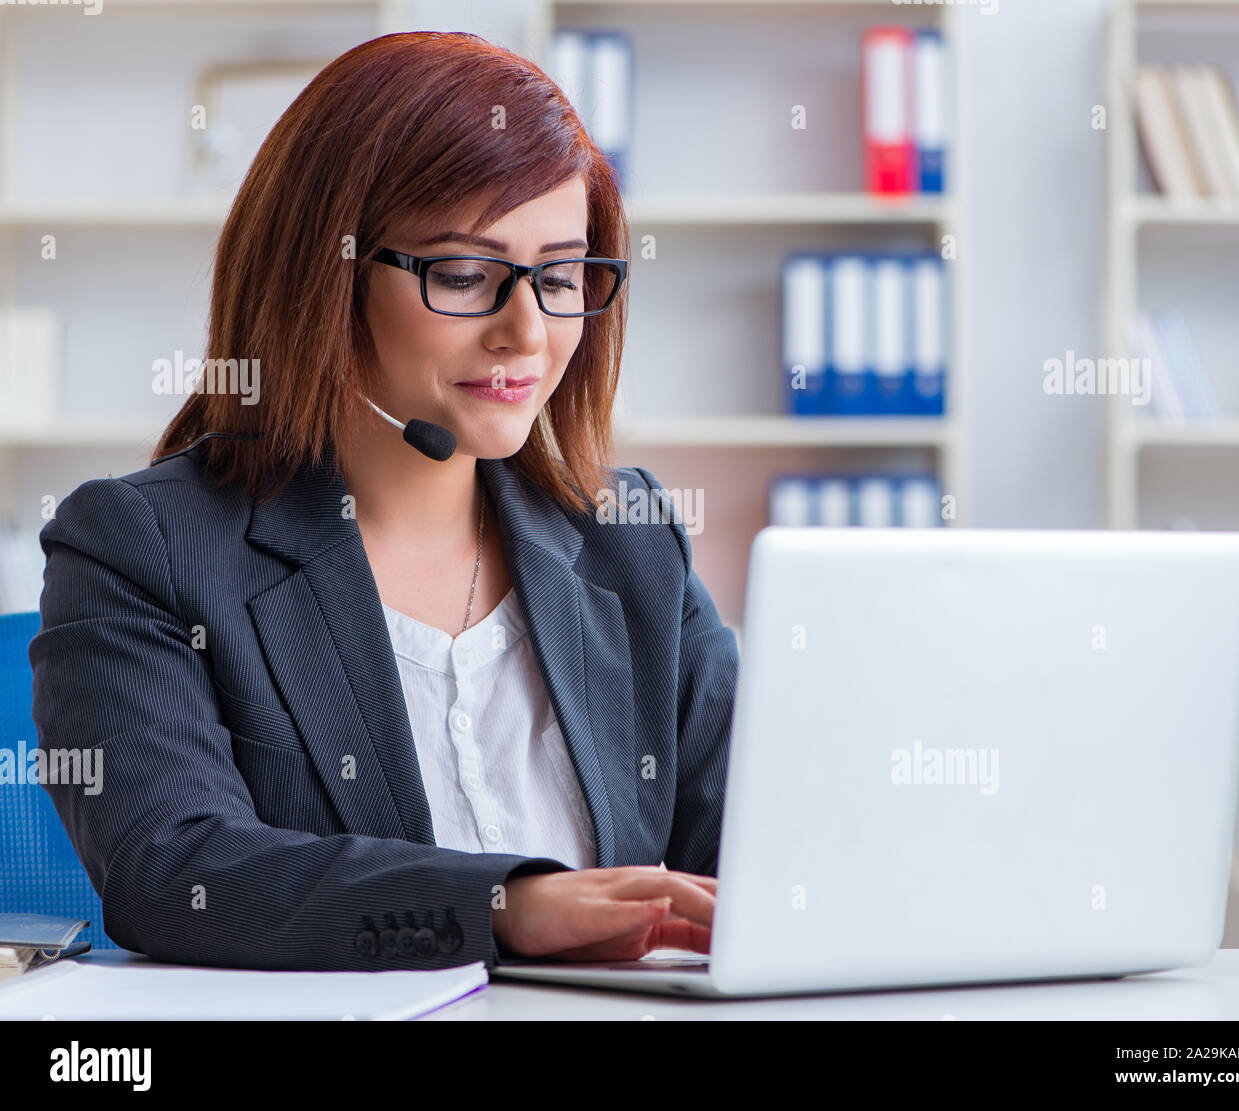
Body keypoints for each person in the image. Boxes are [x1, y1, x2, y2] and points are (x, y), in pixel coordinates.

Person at [29, 31, 739, 972]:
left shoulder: (626, 538)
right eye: (463, 275)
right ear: (327, 274)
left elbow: (769, 842)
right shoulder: (142, 545)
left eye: (562, 277)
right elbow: (174, 867)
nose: (526, 331)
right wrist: (505, 906)